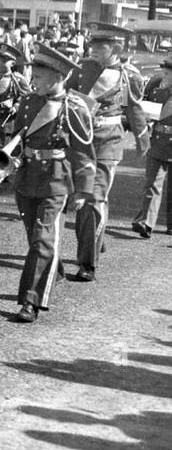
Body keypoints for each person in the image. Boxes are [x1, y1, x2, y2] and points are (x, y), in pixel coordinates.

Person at [8, 45, 96, 324]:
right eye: (34, 73)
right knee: (35, 238)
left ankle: (31, 302)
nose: (33, 79)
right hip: (27, 179)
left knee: (43, 239)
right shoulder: (28, 102)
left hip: (56, 181)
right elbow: (19, 141)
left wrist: (83, 190)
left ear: (58, 76)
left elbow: (84, 153)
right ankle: (52, 270)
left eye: (39, 74)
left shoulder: (74, 108)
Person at [66, 23, 149, 282]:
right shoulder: (83, 68)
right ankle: (95, 240)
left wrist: (142, 140)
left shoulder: (128, 77)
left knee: (92, 199)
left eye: (100, 47)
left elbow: (132, 109)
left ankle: (87, 264)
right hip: (81, 142)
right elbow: (69, 97)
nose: (94, 51)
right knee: (89, 198)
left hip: (108, 143)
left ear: (115, 48)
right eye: (92, 46)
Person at [133, 55, 172, 238]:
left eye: (168, 73)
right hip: (159, 139)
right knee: (152, 183)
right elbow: (146, 113)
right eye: (164, 72)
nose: (164, 76)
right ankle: (146, 223)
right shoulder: (156, 88)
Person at [0, 45, 30, 149]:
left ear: (12, 63)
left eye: (4, 61)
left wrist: (16, 106)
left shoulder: (18, 80)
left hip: (8, 120)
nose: (0, 64)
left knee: (1, 145)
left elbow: (26, 97)